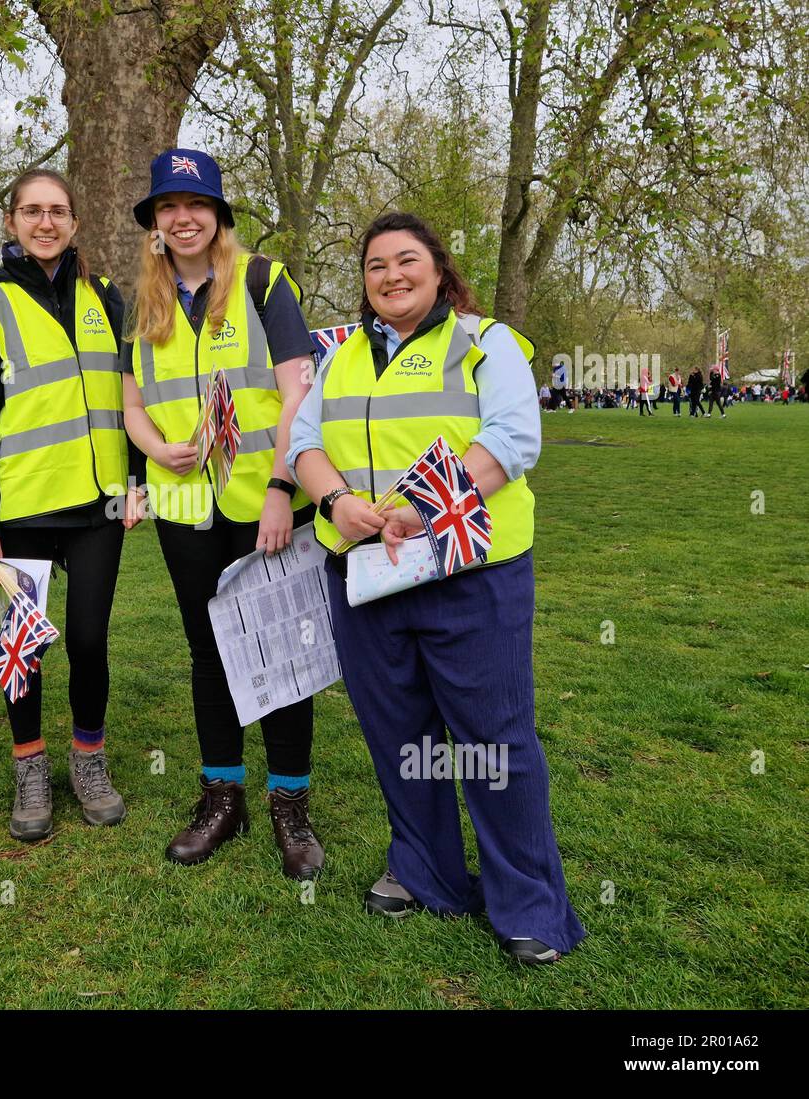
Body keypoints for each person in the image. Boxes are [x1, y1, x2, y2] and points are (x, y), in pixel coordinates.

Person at [289, 210, 585, 964]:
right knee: (399, 736)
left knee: (492, 740)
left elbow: (513, 439)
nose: (390, 275)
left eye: (406, 260)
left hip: (468, 574)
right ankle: (426, 873)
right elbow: (302, 444)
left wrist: (426, 508)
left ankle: (531, 905)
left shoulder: (486, 343)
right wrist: (335, 503)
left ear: (439, 268)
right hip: (366, 572)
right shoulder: (340, 354)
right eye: (375, 265)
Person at [122, 148, 323, 880]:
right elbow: (131, 404)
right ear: (154, 222)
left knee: (280, 652)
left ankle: (290, 803)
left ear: (219, 216)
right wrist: (156, 448)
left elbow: (299, 393)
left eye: (195, 205)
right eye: (167, 208)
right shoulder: (141, 300)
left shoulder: (263, 282)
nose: (182, 218)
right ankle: (222, 795)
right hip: (183, 506)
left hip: (265, 503)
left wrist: (278, 487)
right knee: (209, 652)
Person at [0, 168, 135, 842]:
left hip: (98, 506)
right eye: (32, 211)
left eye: (58, 210)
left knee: (89, 640)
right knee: (20, 645)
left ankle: (89, 758)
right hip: (21, 507)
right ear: (10, 221)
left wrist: (138, 478)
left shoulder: (105, 296)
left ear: (76, 222)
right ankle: (29, 765)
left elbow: (131, 394)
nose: (46, 222)